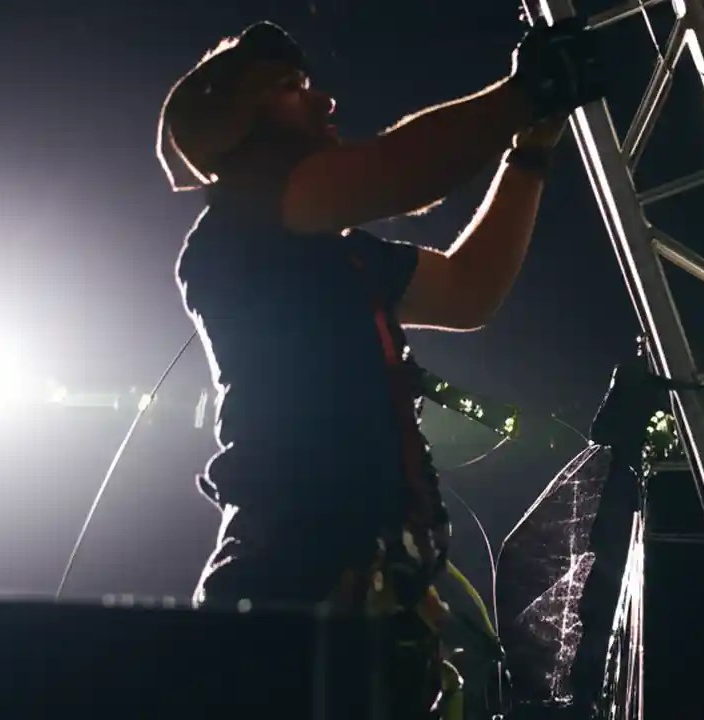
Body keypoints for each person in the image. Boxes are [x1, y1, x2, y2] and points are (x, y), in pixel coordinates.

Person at [157, 19, 602, 717]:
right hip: (291, 588)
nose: (324, 101)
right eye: (290, 89)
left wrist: (530, 154)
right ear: (234, 127)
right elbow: (400, 174)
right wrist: (524, 94)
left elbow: (469, 290)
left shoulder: (340, 251)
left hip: (363, 605)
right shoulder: (238, 227)